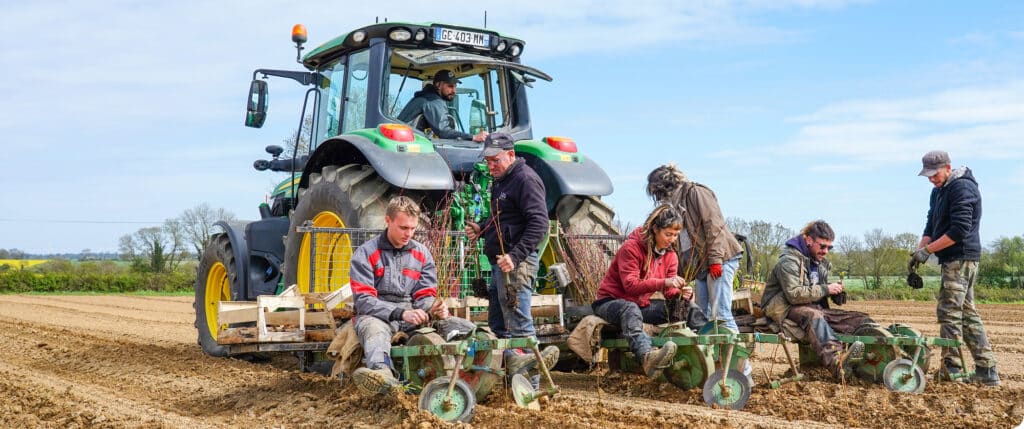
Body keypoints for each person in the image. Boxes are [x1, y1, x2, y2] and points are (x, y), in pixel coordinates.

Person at [348, 196, 476, 395]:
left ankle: (496, 364)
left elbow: (424, 295)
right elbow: (364, 301)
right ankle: (383, 377)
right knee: (375, 332)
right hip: (376, 316)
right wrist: (401, 313)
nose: (409, 234)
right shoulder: (365, 253)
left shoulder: (422, 253)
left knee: (464, 327)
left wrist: (433, 308)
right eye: (403, 228)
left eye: (413, 228)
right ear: (388, 221)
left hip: (412, 316)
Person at [465, 132, 559, 375]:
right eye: (487, 161)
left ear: (511, 154)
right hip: (501, 263)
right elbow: (502, 219)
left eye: (495, 160)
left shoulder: (525, 180)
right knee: (499, 326)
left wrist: (515, 256)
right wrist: (481, 228)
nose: (491, 166)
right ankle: (505, 382)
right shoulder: (502, 180)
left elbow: (539, 224)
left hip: (516, 264)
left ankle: (532, 388)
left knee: (520, 326)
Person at [645, 163, 749, 376]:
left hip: (722, 258)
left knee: (720, 314)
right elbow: (682, 245)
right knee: (701, 316)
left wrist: (716, 260)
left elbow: (715, 226)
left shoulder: (696, 193)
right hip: (702, 266)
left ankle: (743, 370)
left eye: (658, 193)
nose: (658, 199)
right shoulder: (675, 205)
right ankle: (712, 369)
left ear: (666, 186)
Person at [910, 150, 999, 386]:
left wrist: (928, 251)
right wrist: (918, 252)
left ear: (947, 167)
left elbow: (960, 230)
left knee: (948, 313)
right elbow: (930, 224)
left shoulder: (962, 187)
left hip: (960, 258)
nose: (931, 179)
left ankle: (952, 369)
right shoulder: (938, 191)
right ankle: (986, 370)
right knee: (967, 314)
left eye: (934, 174)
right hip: (951, 259)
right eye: (928, 175)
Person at [592, 204, 708, 378]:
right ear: (655, 229)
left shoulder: (670, 256)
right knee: (629, 308)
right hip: (610, 302)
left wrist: (681, 293)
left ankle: (712, 340)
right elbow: (630, 286)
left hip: (639, 304)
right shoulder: (631, 248)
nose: (672, 239)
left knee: (682, 306)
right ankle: (647, 356)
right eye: (668, 234)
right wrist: (665, 281)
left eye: (675, 235)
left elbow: (668, 293)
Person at [761, 220, 870, 378]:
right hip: (783, 307)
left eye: (829, 247)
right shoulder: (789, 261)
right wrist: (826, 289)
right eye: (822, 246)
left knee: (858, 320)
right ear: (808, 240)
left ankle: (865, 362)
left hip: (810, 305)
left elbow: (817, 289)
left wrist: (834, 293)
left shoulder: (818, 261)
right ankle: (837, 363)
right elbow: (794, 294)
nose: (826, 251)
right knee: (814, 317)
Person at [397, 69, 488, 142]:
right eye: (450, 86)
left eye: (455, 87)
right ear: (438, 85)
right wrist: (473, 137)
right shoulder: (433, 101)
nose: (454, 91)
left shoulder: (424, 97)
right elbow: (444, 131)